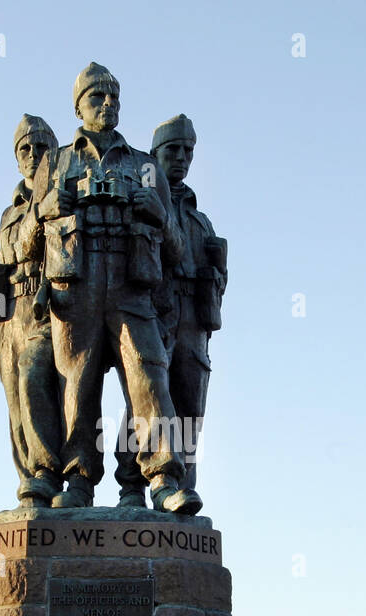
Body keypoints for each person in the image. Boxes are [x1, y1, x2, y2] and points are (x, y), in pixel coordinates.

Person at [32, 63, 201, 514]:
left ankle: (161, 478)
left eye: (114, 99)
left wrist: (161, 216)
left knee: (149, 378)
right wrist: (48, 205)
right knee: (77, 387)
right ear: (78, 106)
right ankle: (78, 480)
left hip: (131, 285)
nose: (107, 105)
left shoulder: (146, 166)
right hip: (76, 285)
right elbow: (26, 240)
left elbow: (180, 251)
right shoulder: (57, 161)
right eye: (96, 98)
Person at [114, 114, 226, 503]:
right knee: (144, 397)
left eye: (188, 151)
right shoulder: (139, 201)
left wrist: (215, 280)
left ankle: (183, 489)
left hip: (194, 319)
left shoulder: (201, 220)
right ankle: (130, 483)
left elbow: (220, 277)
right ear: (155, 155)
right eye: (172, 150)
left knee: (190, 411)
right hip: (154, 309)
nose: (181, 158)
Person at [0, 114, 64, 508]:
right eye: (25, 149)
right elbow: (13, 250)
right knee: (15, 404)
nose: (33, 155)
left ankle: (47, 473)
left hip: (46, 306)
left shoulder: (63, 197)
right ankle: (30, 484)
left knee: (36, 377)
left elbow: (38, 250)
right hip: (9, 312)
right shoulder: (10, 211)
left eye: (40, 147)